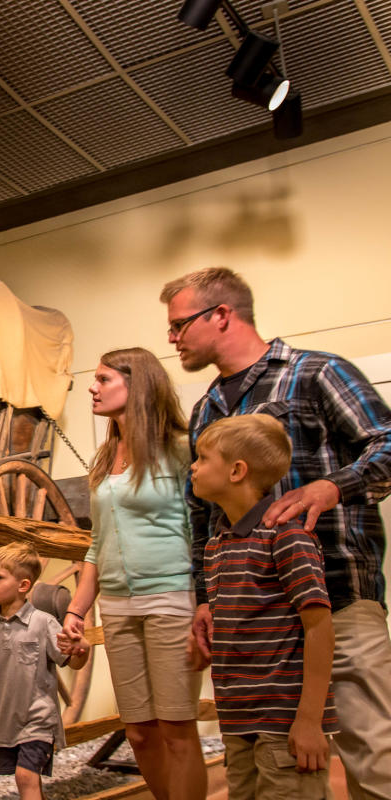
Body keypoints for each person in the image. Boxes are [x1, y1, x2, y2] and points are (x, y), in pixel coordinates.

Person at [161, 266, 391, 799]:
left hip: (336, 597)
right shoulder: (205, 410)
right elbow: (203, 518)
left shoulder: (317, 373)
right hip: (258, 629)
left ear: (221, 315)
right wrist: (206, 599)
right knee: (275, 763)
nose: (172, 339)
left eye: (178, 325)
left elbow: (387, 444)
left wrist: (331, 488)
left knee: (374, 758)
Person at [60, 347, 207, 800]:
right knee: (140, 731)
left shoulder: (182, 450)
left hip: (172, 601)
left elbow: (202, 528)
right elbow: (97, 544)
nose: (92, 386)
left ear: (136, 384)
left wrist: (207, 603)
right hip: (118, 608)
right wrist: (77, 610)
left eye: (104, 379)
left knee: (177, 727)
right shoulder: (105, 457)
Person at [190, 414, 336, 798]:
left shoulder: (287, 537)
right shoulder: (216, 546)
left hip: (285, 725)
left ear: (237, 471)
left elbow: (319, 627)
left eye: (203, 458)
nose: (193, 466)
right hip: (239, 724)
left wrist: (309, 720)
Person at [0, 542, 88, 800]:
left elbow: (71, 661)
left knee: (25, 777)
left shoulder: (43, 623)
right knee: (27, 781)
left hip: (39, 720)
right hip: (7, 722)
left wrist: (82, 651)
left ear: (23, 586)